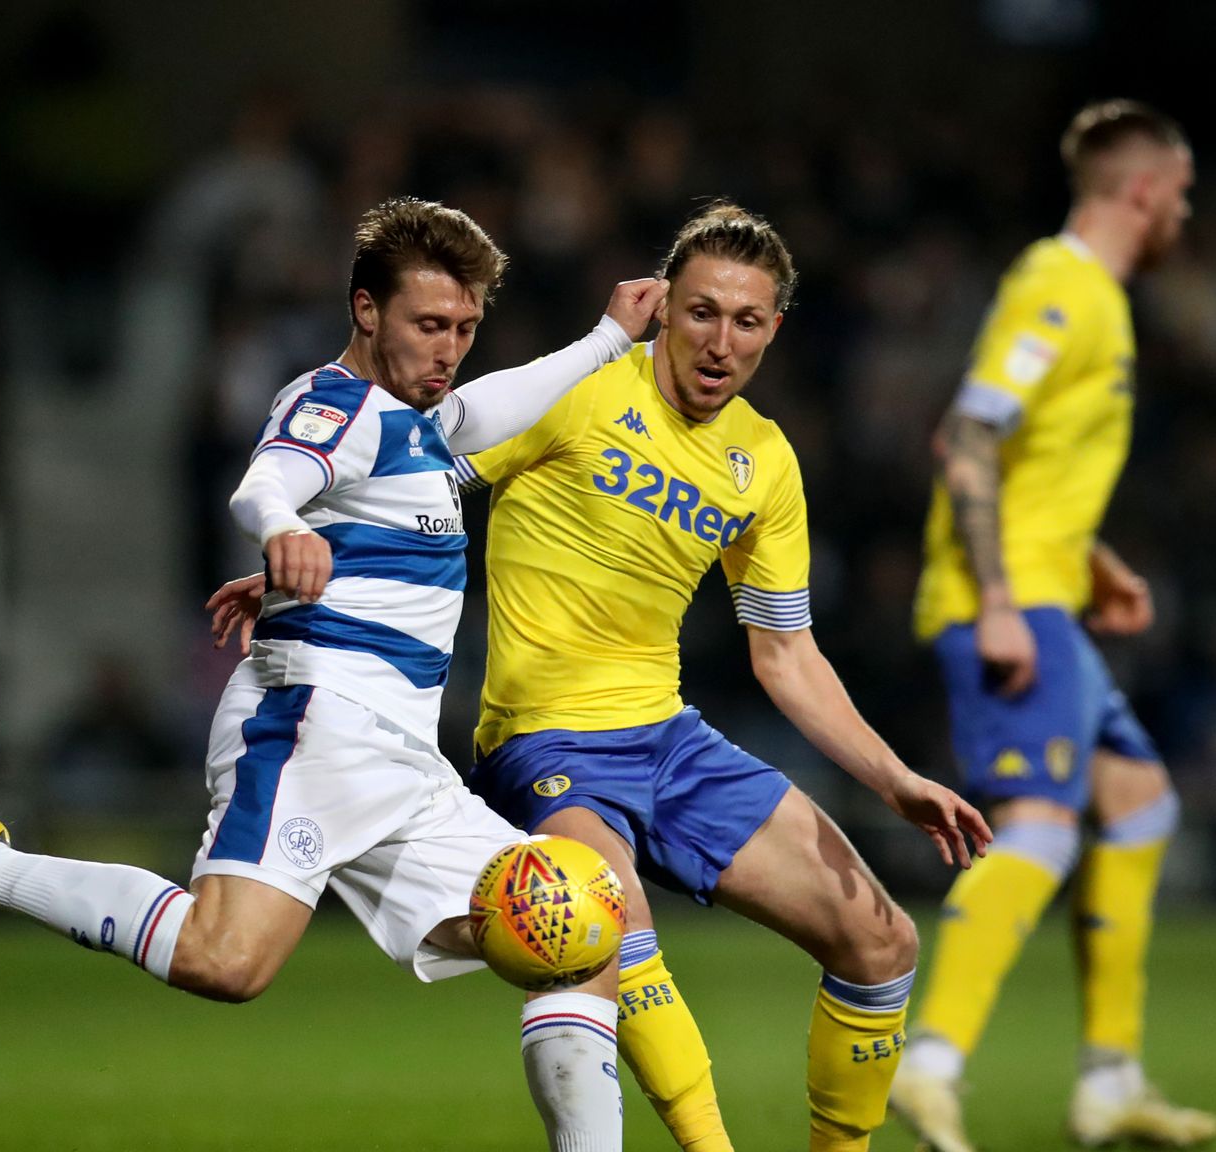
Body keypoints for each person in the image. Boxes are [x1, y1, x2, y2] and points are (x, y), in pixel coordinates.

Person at [0, 199, 664, 1152]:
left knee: (573, 933)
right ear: (366, 311)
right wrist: (284, 529)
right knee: (224, 964)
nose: (450, 349)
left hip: (405, 761)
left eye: (465, 328)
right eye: (429, 325)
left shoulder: (427, 418)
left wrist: (607, 336)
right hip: (312, 728)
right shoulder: (340, 404)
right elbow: (268, 478)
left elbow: (505, 399)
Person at [215, 202, 993, 1152]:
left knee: (883, 942)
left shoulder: (765, 462)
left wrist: (896, 778)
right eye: (701, 312)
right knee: (609, 930)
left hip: (669, 738)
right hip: (546, 743)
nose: (720, 341)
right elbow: (409, 466)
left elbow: (785, 655)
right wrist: (308, 560)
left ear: (773, 330)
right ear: (662, 309)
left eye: (746, 322)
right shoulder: (575, 392)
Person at [886, 100, 1216, 1151]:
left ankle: (1109, 1079)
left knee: (1136, 801)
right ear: (1141, 191)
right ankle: (929, 1063)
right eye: (1178, 194)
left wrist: (1092, 560)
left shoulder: (1093, 299)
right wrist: (996, 599)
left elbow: (973, 430)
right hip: (1008, 604)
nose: (1183, 213)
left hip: (1041, 588)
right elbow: (971, 438)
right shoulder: (1060, 289)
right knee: (1037, 823)